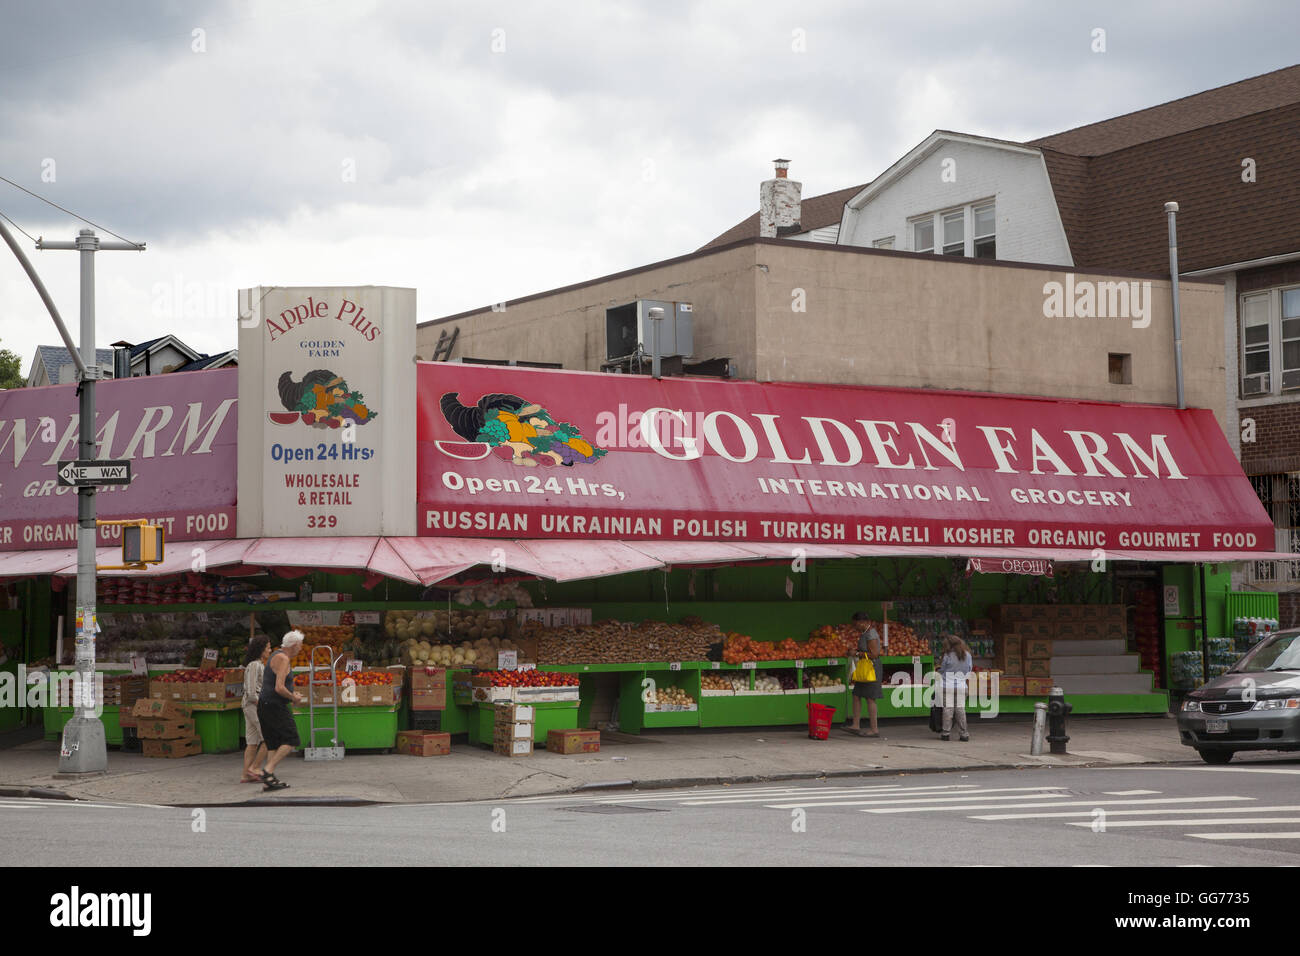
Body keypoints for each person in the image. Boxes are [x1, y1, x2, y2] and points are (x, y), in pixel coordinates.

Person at [256, 629, 305, 791]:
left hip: (264, 705)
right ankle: (267, 771)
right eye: (300, 646)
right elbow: (279, 687)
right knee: (291, 740)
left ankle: (267, 780)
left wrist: (290, 695)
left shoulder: (275, 654)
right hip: (275, 706)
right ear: (295, 645)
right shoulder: (284, 659)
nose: (301, 649)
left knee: (273, 744)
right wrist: (293, 697)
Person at [844, 611, 883, 737]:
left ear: (863, 622)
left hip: (871, 668)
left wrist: (856, 654)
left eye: (856, 624)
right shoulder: (864, 633)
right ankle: (855, 725)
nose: (855, 626)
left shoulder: (870, 634)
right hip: (864, 667)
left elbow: (875, 654)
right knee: (856, 694)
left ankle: (874, 729)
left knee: (870, 698)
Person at [240, 635, 270, 783]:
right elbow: (252, 692)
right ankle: (255, 768)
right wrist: (262, 706)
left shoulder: (258, 665)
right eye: (268, 648)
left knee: (252, 742)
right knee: (268, 738)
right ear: (261, 649)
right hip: (253, 706)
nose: (270, 650)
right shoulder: (254, 666)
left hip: (251, 705)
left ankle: (245, 774)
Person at [936, 634, 973, 742]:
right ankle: (964, 734)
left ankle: (946, 733)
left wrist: (939, 671)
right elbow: (969, 670)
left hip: (947, 685)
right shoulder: (967, 655)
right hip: (962, 686)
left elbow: (942, 670)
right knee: (960, 710)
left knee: (948, 709)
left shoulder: (947, 655)